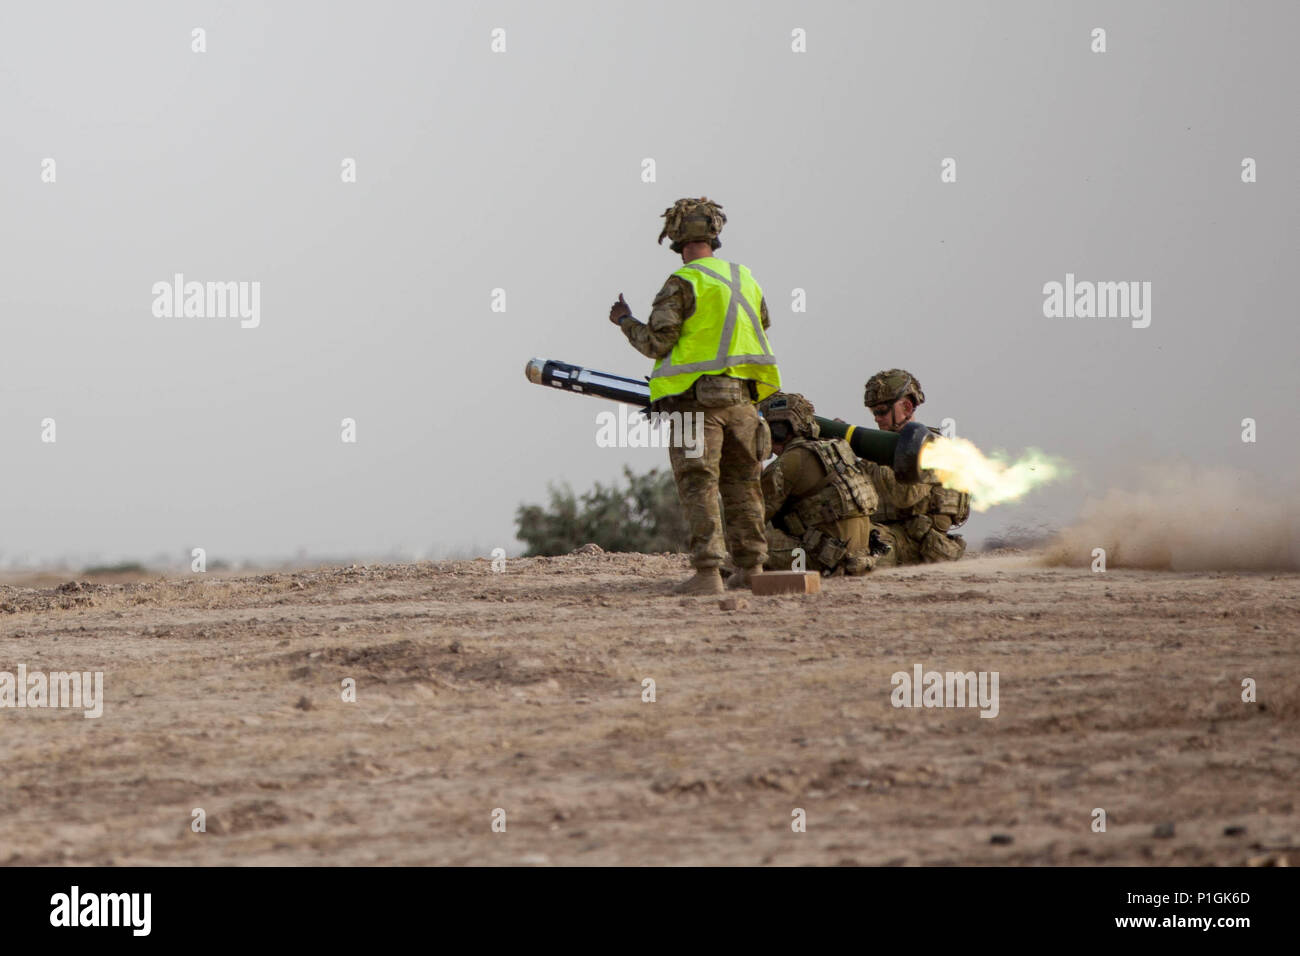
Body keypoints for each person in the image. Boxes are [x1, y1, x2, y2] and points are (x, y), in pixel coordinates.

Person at [609, 197, 780, 595]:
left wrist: (624, 321)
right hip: (744, 403)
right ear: (715, 233)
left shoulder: (682, 282)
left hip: (694, 405)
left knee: (698, 484)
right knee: (744, 486)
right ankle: (752, 568)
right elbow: (763, 322)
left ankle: (707, 574)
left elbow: (657, 342)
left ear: (674, 236)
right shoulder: (745, 278)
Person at [757, 392, 881, 576]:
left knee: (749, 546)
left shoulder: (789, 462)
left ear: (778, 430)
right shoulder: (838, 448)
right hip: (862, 556)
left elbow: (753, 517)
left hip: (826, 560)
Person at [860, 369, 969, 565]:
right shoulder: (877, 451)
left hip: (918, 543)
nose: (877, 418)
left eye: (882, 411)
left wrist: (874, 454)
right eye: (873, 412)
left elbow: (904, 496)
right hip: (886, 533)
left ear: (907, 407)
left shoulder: (932, 449)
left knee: (858, 553)